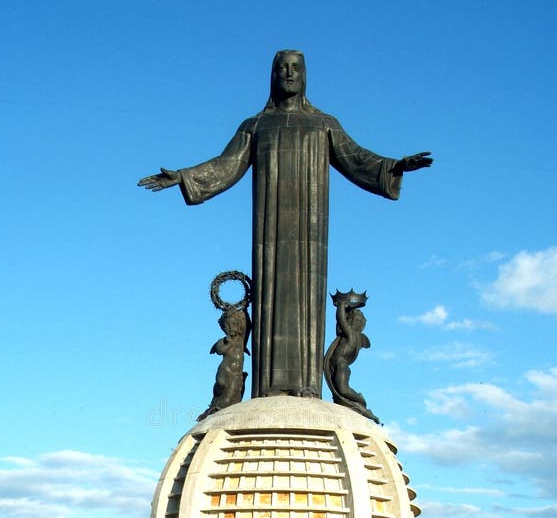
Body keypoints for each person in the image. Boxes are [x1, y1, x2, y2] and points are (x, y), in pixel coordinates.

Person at [139, 50, 431, 400]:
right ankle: (267, 388)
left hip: (310, 232)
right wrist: (184, 176)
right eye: (282, 68)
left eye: (296, 68)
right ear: (273, 75)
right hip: (269, 232)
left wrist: (395, 167)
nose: (289, 74)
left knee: (307, 300)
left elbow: (357, 158)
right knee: (270, 296)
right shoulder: (256, 126)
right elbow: (226, 165)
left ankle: (306, 386)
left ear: (305, 76)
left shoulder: (323, 124)